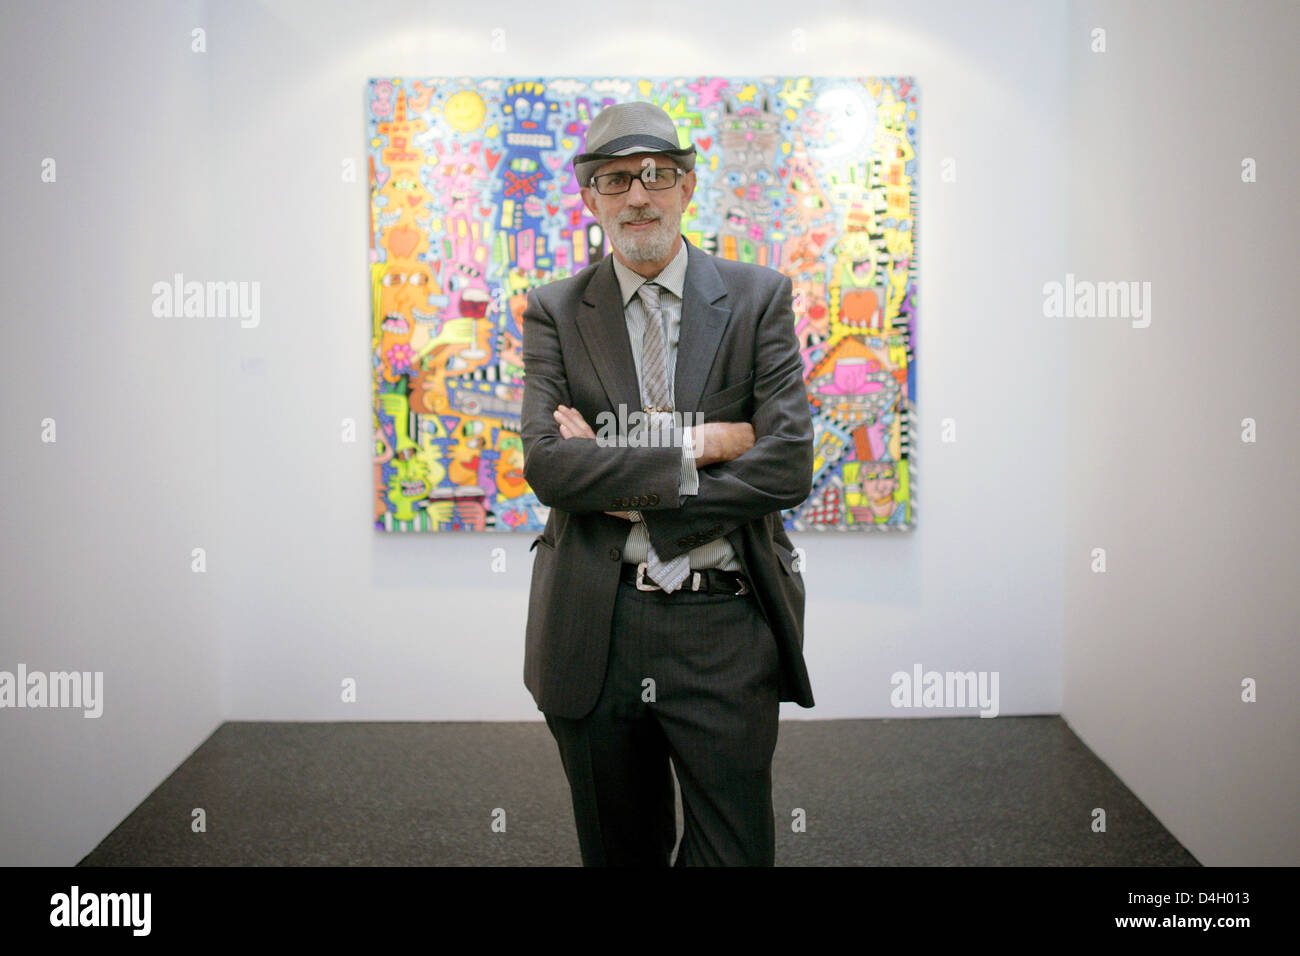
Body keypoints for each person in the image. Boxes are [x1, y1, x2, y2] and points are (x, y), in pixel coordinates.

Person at [520, 100, 815, 866]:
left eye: (656, 175)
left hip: (725, 625)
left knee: (736, 853)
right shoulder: (554, 310)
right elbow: (550, 466)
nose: (637, 196)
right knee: (621, 852)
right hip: (595, 623)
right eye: (615, 180)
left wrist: (616, 476)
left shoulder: (757, 298)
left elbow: (786, 464)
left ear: (688, 185)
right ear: (591, 198)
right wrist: (701, 444)